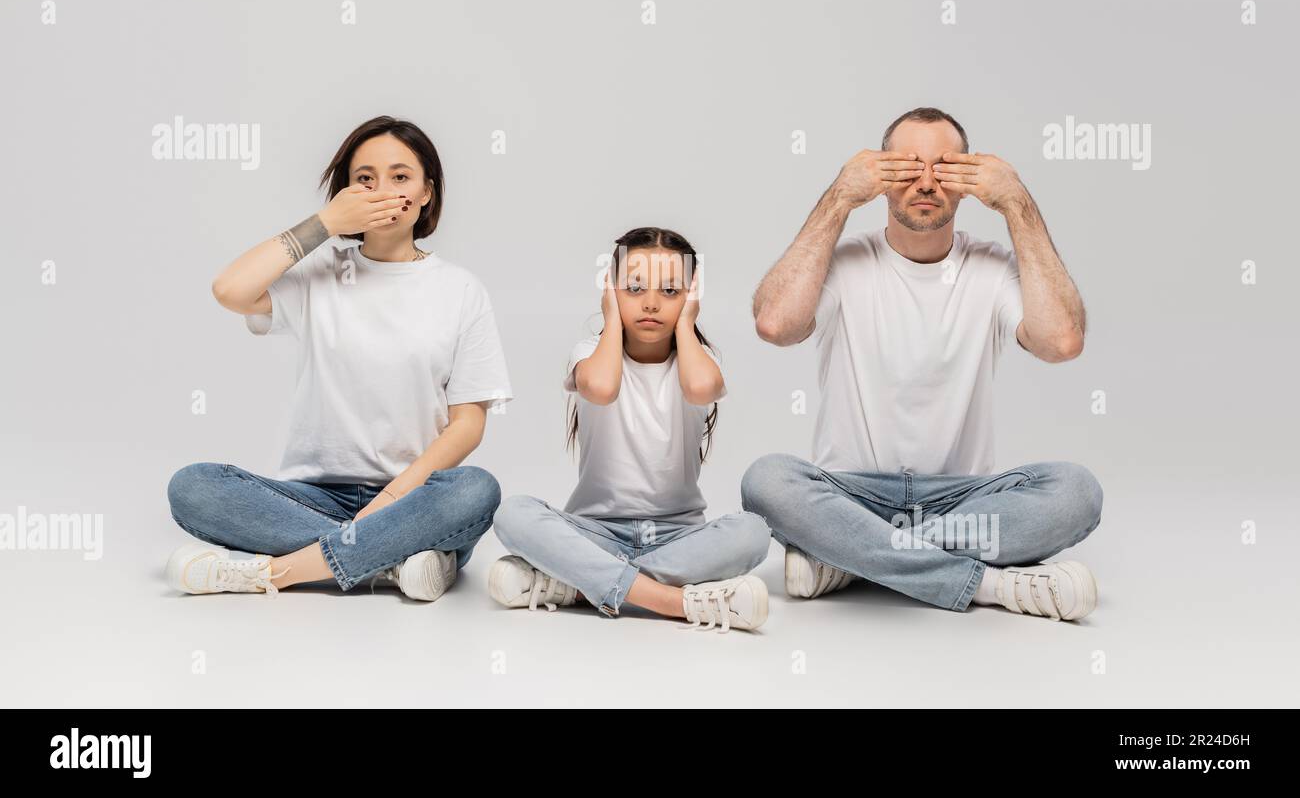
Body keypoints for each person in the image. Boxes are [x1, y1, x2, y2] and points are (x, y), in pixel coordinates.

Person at [743, 107, 1102, 621]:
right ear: (880, 177)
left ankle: (851, 557)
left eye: (945, 168)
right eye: (908, 168)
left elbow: (1062, 341)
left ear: (968, 182)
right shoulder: (842, 262)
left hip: (962, 500)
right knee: (767, 481)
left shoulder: (992, 267)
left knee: (1077, 492)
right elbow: (774, 324)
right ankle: (990, 586)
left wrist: (1017, 202)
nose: (927, 182)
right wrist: (840, 196)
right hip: (851, 492)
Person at [165, 116, 511, 601]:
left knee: (475, 491)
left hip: (416, 497)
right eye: (364, 179)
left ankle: (279, 572)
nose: (382, 191)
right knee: (194, 488)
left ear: (427, 192)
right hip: (313, 494)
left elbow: (468, 425)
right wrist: (324, 225)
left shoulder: (461, 290)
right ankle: (389, 564)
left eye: (400, 177)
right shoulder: (319, 276)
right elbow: (230, 289)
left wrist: (391, 503)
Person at [488, 228, 771, 633]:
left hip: (678, 537)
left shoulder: (698, 359)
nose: (651, 304)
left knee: (753, 532)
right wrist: (611, 319)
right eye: (634, 288)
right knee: (513, 513)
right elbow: (601, 389)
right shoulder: (589, 352)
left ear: (690, 297)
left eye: (671, 292)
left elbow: (701, 389)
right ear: (611, 290)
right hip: (595, 532)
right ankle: (676, 601)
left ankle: (576, 585)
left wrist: (688, 326)